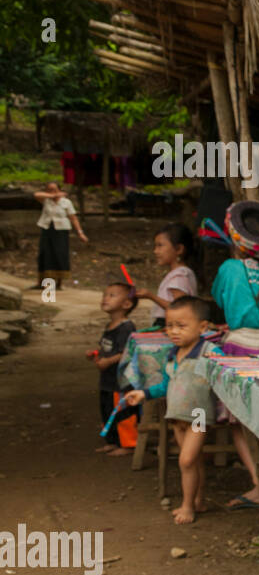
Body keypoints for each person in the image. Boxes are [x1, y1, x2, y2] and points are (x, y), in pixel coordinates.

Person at [210, 201, 259, 510]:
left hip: (239, 347)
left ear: (235, 237)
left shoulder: (229, 268)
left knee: (239, 421)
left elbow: (219, 297)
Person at [123, 296, 221, 524]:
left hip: (198, 415)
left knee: (186, 461)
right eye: (170, 326)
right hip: (177, 417)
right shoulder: (172, 355)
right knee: (194, 462)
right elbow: (168, 384)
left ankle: (187, 506)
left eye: (181, 326)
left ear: (203, 326)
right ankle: (199, 499)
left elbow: (226, 376)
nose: (174, 331)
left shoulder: (210, 352)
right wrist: (144, 393)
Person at [90, 281, 138, 456]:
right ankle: (112, 441)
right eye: (105, 294)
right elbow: (108, 348)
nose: (105, 298)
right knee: (107, 410)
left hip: (121, 380)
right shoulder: (110, 325)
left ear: (126, 304)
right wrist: (95, 354)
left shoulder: (126, 327)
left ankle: (128, 444)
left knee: (123, 412)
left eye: (112, 295)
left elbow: (126, 352)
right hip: (107, 380)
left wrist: (108, 362)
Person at [132, 223, 199, 327]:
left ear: (179, 249)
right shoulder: (179, 273)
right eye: (155, 246)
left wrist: (151, 296)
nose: (155, 251)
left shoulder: (179, 276)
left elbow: (180, 309)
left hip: (170, 326)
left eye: (160, 246)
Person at [31, 182, 87, 290]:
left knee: (59, 254)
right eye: (50, 190)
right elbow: (36, 195)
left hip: (61, 231)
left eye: (55, 189)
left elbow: (73, 218)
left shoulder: (66, 202)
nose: (53, 192)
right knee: (44, 254)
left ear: (59, 190)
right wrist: (52, 196)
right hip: (47, 229)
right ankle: (42, 283)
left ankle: (59, 282)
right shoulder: (46, 200)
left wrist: (80, 232)